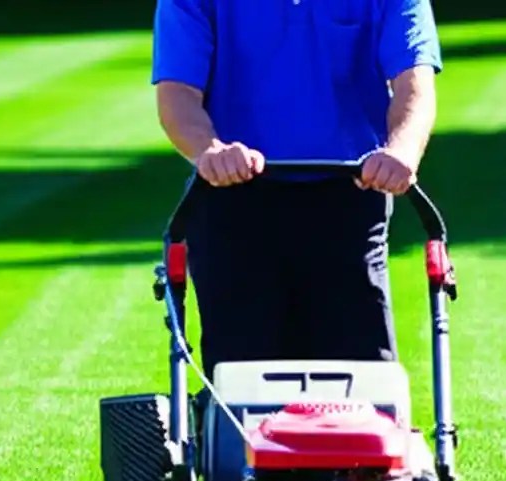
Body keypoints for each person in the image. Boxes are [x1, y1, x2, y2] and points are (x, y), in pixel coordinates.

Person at [151, 0, 442, 379]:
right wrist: (211, 150)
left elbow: (414, 83)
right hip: (233, 200)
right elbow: (177, 96)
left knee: (364, 383)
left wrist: (401, 150)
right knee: (244, 384)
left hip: (348, 199)